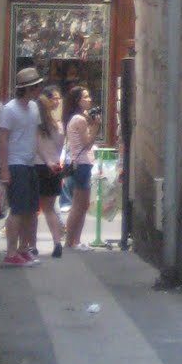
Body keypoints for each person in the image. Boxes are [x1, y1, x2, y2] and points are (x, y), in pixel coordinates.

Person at [0, 68, 44, 267]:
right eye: (36, 86)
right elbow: (3, 139)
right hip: (16, 164)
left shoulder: (34, 108)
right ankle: (11, 251)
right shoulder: (10, 109)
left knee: (30, 210)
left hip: (29, 163)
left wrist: (44, 158)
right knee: (17, 209)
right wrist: (5, 168)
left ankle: (23, 249)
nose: (40, 89)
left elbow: (35, 135)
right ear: (28, 89)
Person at [63, 84, 101, 248]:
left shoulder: (77, 117)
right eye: (85, 97)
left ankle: (74, 241)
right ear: (78, 101)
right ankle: (70, 241)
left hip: (79, 163)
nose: (89, 100)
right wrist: (96, 127)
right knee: (79, 205)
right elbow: (87, 143)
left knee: (81, 205)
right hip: (82, 163)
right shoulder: (79, 119)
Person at [33, 84, 66, 258]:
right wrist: (52, 160)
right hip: (54, 168)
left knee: (33, 209)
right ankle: (57, 242)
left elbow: (35, 147)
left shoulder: (36, 126)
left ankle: (32, 245)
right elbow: (60, 147)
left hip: (38, 166)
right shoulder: (58, 126)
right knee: (50, 209)